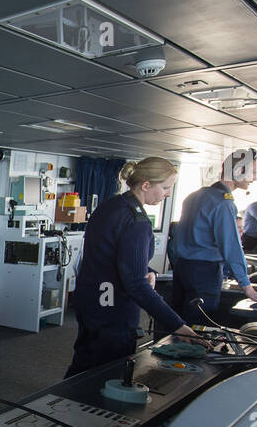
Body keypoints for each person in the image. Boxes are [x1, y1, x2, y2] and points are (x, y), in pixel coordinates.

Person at [66, 157, 199, 378]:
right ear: (146, 185)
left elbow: (111, 257)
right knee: (108, 372)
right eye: (165, 187)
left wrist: (150, 272)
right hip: (113, 308)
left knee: (84, 363)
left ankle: (57, 408)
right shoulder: (137, 221)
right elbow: (136, 284)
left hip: (91, 299)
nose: (167, 193)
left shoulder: (110, 206)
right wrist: (178, 326)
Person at [171, 148, 257, 323]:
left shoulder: (194, 196)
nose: (255, 178)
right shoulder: (224, 202)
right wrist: (247, 287)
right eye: (253, 172)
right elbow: (231, 247)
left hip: (182, 268)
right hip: (205, 273)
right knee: (199, 326)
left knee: (178, 323)